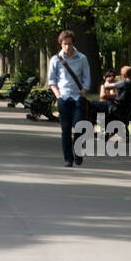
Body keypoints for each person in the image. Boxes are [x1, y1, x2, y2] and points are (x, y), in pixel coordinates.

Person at [47, 29, 91, 167]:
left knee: (79, 127)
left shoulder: (82, 58)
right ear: (61, 44)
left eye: (69, 44)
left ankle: (78, 151)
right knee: (65, 130)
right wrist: (58, 96)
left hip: (78, 97)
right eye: (65, 44)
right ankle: (68, 158)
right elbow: (52, 81)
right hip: (64, 98)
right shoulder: (55, 60)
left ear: (73, 43)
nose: (67, 47)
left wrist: (84, 90)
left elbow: (87, 77)